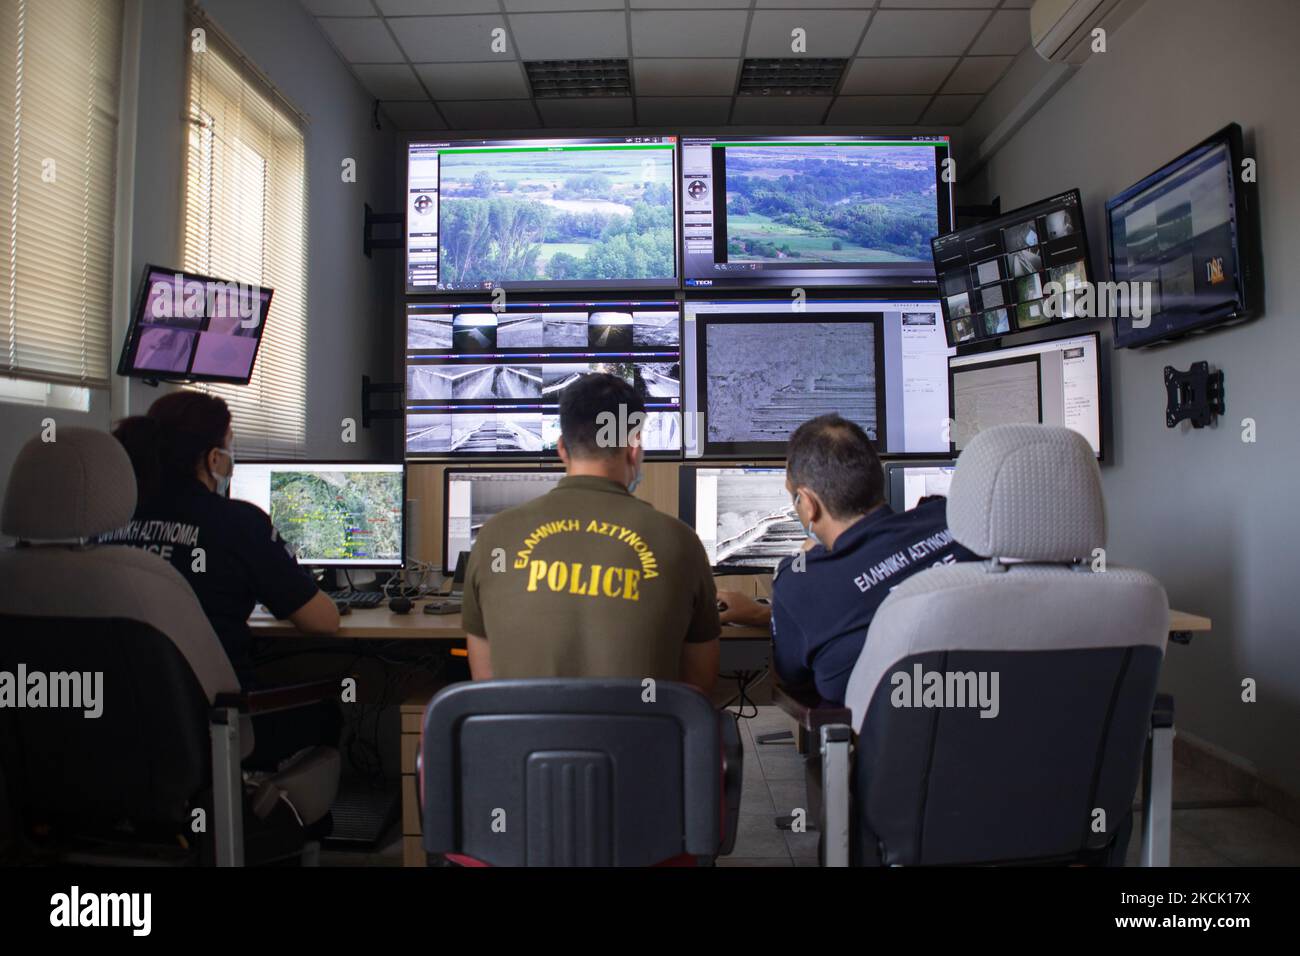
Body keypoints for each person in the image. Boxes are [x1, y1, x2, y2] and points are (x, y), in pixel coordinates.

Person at [103, 391, 340, 769]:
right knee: (329, 711)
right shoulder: (237, 522)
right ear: (214, 458)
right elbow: (323, 621)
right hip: (216, 724)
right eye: (230, 448)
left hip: (121, 727)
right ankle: (277, 822)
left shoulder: (106, 524)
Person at [461, 373, 720, 693]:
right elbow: (698, 689)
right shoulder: (680, 541)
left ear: (561, 449)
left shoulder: (493, 536)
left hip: (523, 743)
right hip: (639, 742)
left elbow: (486, 688)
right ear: (633, 448)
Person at [717, 414, 978, 705]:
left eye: (794, 497)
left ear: (809, 504)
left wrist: (797, 579)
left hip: (890, 743)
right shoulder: (956, 521)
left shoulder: (802, 584)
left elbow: (792, 683)